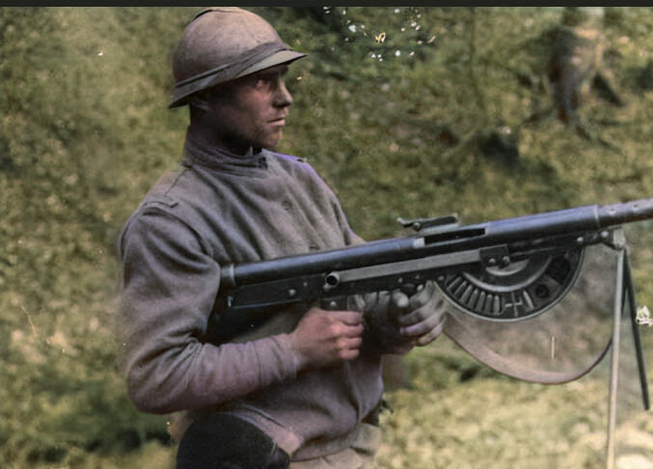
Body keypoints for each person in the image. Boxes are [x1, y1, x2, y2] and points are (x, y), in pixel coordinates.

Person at [115, 7, 447, 469]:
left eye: (283, 79)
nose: (284, 98)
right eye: (261, 82)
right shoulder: (171, 221)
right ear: (207, 97)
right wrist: (291, 351)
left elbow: (357, 289)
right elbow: (155, 377)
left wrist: (395, 321)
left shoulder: (300, 178)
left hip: (355, 447)